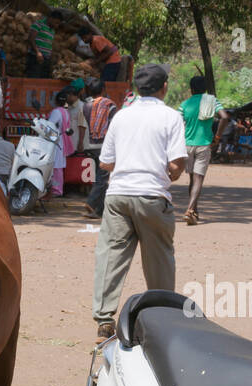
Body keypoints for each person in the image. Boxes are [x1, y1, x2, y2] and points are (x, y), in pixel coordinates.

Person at [91, 64, 188, 344]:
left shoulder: (122, 116)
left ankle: (104, 320)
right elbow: (176, 162)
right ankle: (162, 316)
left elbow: (106, 162)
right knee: (159, 257)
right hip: (152, 195)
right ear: (164, 87)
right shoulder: (171, 117)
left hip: (118, 195)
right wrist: (171, 173)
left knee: (111, 256)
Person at [179, 75, 217, 226]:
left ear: (191, 89)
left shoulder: (184, 104)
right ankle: (189, 210)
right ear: (206, 88)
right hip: (203, 144)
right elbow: (225, 117)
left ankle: (194, 210)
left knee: (192, 179)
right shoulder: (212, 101)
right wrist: (218, 136)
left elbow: (177, 123)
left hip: (187, 145)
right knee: (199, 179)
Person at [83, 78, 117, 218]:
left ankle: (99, 211)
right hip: (104, 146)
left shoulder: (85, 105)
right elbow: (114, 127)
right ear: (103, 90)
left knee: (98, 176)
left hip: (89, 145)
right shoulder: (110, 106)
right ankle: (91, 201)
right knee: (103, 177)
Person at [47, 88, 74, 197]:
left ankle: (56, 190)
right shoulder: (65, 112)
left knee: (55, 166)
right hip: (61, 140)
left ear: (56, 101)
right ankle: (58, 189)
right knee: (59, 166)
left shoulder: (56, 112)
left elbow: (49, 126)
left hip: (55, 141)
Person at [26, 11, 63, 78]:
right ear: (51, 18)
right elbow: (31, 39)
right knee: (34, 80)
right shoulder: (38, 24)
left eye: (58, 24)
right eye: (56, 22)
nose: (57, 25)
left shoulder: (52, 30)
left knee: (43, 81)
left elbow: (48, 44)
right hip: (35, 58)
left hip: (46, 60)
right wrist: (38, 52)